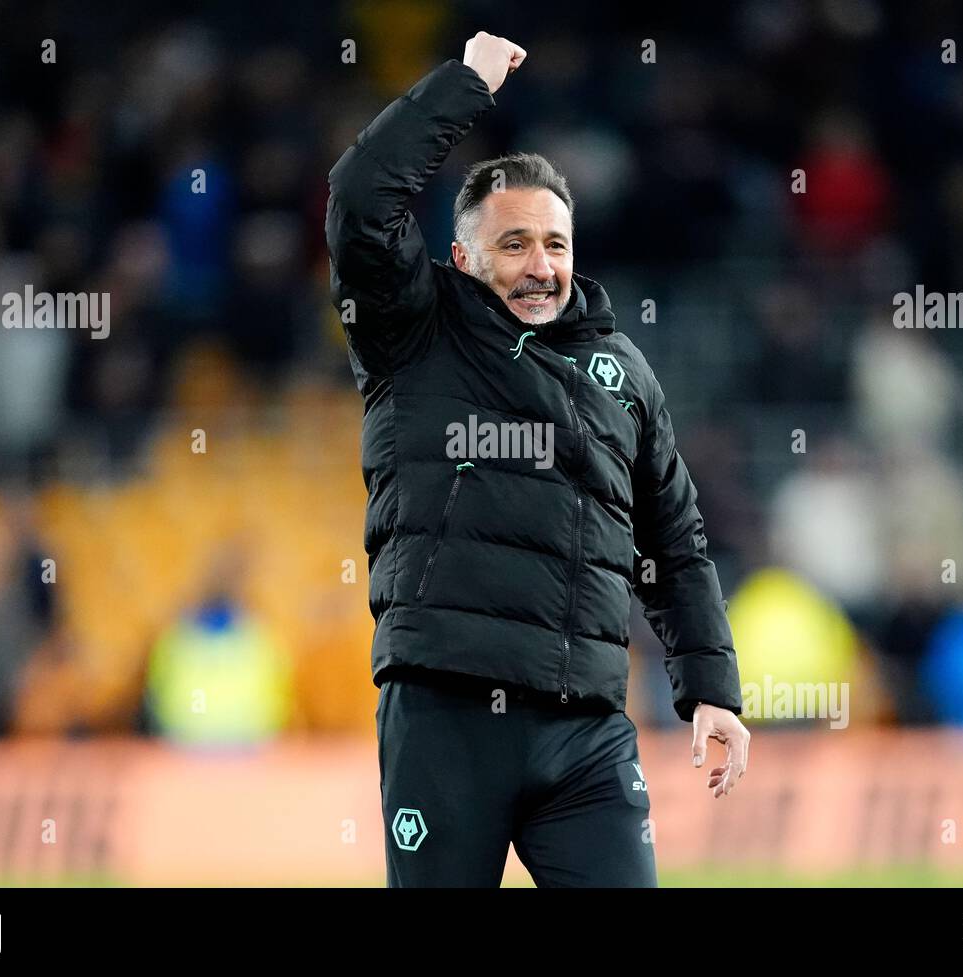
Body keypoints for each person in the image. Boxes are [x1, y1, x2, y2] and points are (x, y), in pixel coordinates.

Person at [326, 32, 749, 887]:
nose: (540, 267)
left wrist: (711, 686)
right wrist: (467, 82)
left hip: (587, 727)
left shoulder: (623, 371)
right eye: (513, 244)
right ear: (462, 257)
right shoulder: (416, 329)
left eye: (555, 244)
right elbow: (360, 200)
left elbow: (675, 538)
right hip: (446, 716)